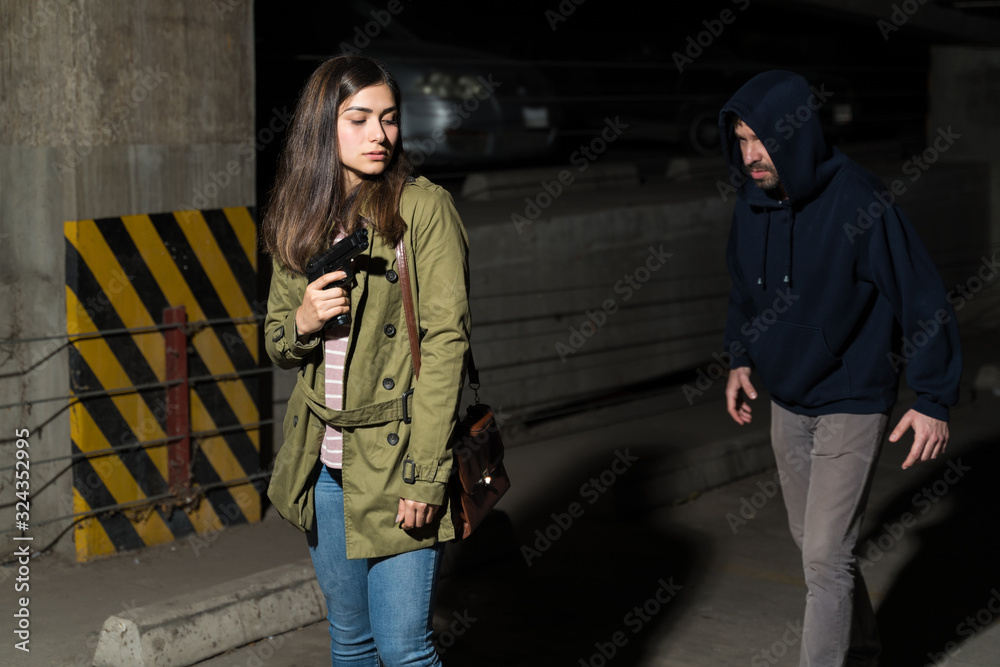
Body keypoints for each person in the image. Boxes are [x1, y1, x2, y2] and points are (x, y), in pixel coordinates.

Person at [718, 70, 961, 666]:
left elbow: (922, 297)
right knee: (816, 549)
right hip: (788, 398)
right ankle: (866, 647)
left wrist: (932, 397)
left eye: (763, 140)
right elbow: (741, 293)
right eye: (742, 140)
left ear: (796, 135)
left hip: (852, 397)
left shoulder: (860, 202)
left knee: (826, 556)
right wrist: (740, 358)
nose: (751, 155)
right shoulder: (750, 206)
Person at [261, 54, 470, 667]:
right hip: (323, 466)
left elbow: (444, 346)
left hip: (400, 457)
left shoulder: (422, 210)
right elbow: (276, 341)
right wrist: (301, 321)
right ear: (322, 126)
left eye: (389, 118)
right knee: (351, 644)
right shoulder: (297, 215)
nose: (379, 135)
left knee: (405, 650)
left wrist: (427, 473)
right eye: (358, 119)